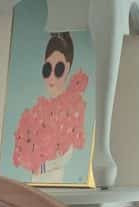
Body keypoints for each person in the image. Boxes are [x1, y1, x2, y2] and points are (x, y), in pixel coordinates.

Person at [13, 32, 89, 182]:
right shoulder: (36, 112)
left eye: (58, 69)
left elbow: (62, 159)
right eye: (47, 69)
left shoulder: (73, 108)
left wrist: (39, 165)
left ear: (67, 68)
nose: (52, 77)